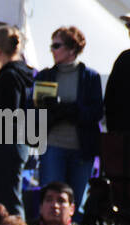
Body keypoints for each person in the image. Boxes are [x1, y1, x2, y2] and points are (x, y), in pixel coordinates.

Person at [34, 26, 103, 211]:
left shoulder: (90, 77)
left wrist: (71, 110)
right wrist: (53, 111)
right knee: (51, 201)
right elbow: (34, 111)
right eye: (51, 46)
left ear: (72, 49)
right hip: (52, 146)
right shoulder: (45, 75)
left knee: (75, 203)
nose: (52, 50)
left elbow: (96, 112)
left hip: (81, 149)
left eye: (57, 45)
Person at [0, 25, 34, 217]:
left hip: (6, 143)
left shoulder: (9, 77)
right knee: (4, 198)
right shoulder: (24, 74)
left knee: (7, 199)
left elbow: (7, 114)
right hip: (15, 143)